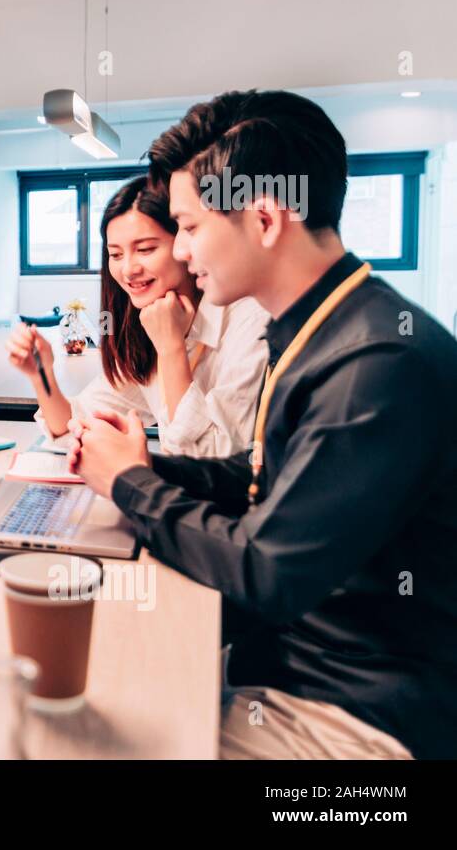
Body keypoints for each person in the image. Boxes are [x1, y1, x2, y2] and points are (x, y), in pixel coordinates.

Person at [68, 90, 457, 759]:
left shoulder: (376, 362)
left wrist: (132, 484)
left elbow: (266, 570)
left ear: (266, 218)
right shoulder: (321, 330)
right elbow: (261, 478)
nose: (181, 253)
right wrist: (146, 466)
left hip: (359, 728)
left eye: (188, 227)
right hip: (294, 677)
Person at [7, 176, 268, 456]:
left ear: (184, 243)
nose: (129, 269)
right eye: (116, 255)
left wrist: (171, 348)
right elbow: (73, 427)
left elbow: (214, 460)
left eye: (145, 250)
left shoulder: (248, 319)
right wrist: (41, 374)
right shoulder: (146, 325)